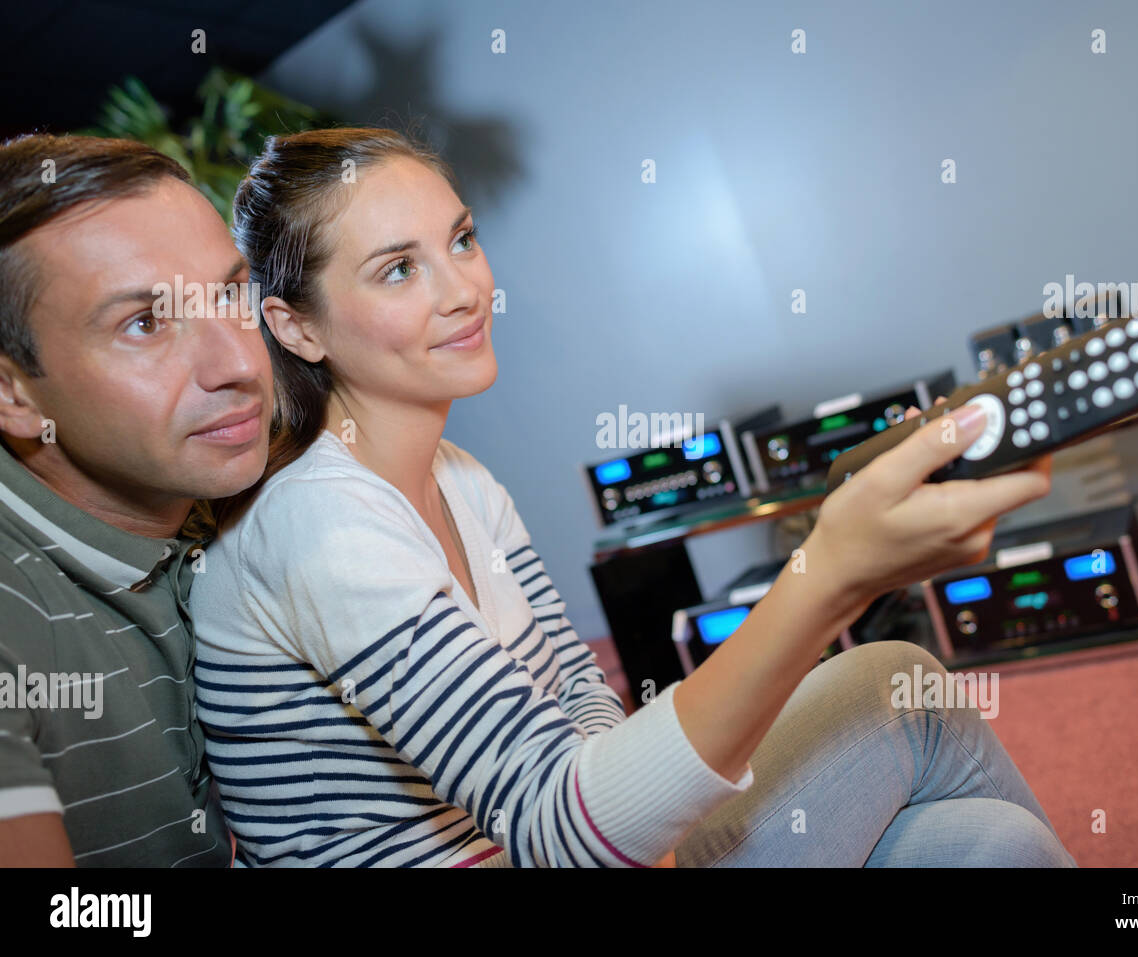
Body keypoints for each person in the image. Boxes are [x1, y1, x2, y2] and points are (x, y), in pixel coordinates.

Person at [189, 126, 1075, 867]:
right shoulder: (316, 521)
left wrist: (640, 819)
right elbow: (557, 832)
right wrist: (829, 575)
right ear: (295, 326)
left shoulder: (462, 477)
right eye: (397, 270)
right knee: (897, 682)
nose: (464, 290)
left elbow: (577, 687)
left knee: (986, 843)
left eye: (461, 239)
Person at [0, 133, 274, 865]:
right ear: (12, 391)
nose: (242, 362)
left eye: (230, 295)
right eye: (145, 323)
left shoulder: (250, 492)